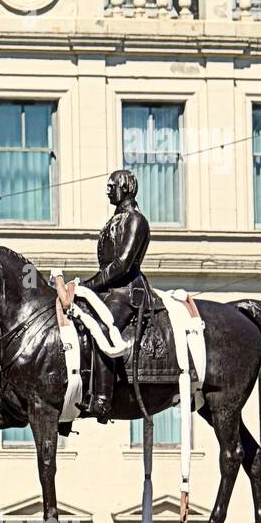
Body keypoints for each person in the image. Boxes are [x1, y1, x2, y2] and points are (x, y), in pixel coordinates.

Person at [62, 169, 151, 420]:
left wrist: (89, 285)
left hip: (126, 291)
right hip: (109, 290)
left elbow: (122, 264)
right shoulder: (114, 221)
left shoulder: (136, 220)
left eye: (112, 185)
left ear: (126, 188)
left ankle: (102, 400)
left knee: (101, 329)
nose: (108, 190)